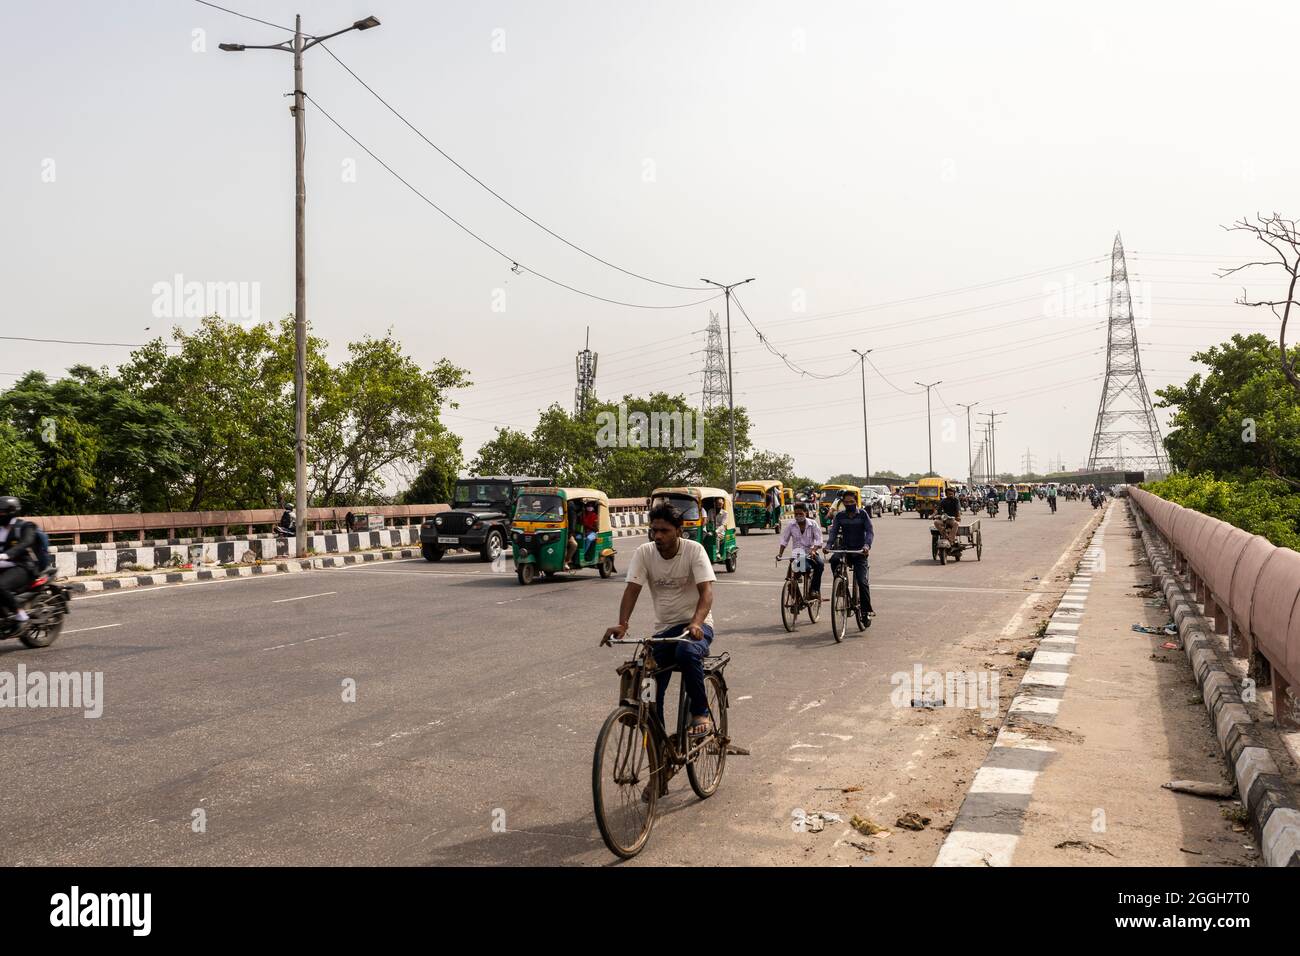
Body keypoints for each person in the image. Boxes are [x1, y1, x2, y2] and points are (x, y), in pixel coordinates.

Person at [602, 503, 717, 746]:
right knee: (647, 677)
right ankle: (659, 745)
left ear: (679, 529)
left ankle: (700, 712)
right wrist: (622, 624)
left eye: (664, 530)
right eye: (654, 530)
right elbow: (632, 590)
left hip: (697, 627)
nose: (658, 536)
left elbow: (706, 592)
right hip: (664, 631)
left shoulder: (694, 550)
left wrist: (696, 623)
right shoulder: (645, 552)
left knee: (685, 652)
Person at [827, 489, 874, 624]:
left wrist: (867, 546)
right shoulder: (840, 516)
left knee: (862, 581)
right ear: (843, 503)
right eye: (846, 502)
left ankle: (865, 612)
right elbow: (833, 532)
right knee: (834, 560)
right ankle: (840, 585)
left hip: (860, 551)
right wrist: (828, 546)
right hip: (845, 549)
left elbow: (870, 532)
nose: (849, 504)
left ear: (856, 502)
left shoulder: (863, 514)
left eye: (851, 502)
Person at [0, 497, 38, 630]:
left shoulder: (25, 526)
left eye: (1, 512)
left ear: (11, 511)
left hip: (22, 566)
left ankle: (21, 615)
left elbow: (25, 542)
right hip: (4, 567)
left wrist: (8, 554)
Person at [775, 501, 824, 596]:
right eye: (796, 514)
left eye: (800, 514)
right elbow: (784, 540)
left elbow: (819, 539)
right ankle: (797, 600)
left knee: (820, 565)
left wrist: (814, 550)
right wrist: (780, 554)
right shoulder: (791, 525)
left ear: (805, 513)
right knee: (791, 579)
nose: (798, 516)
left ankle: (814, 590)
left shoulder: (813, 524)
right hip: (797, 555)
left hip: (810, 553)